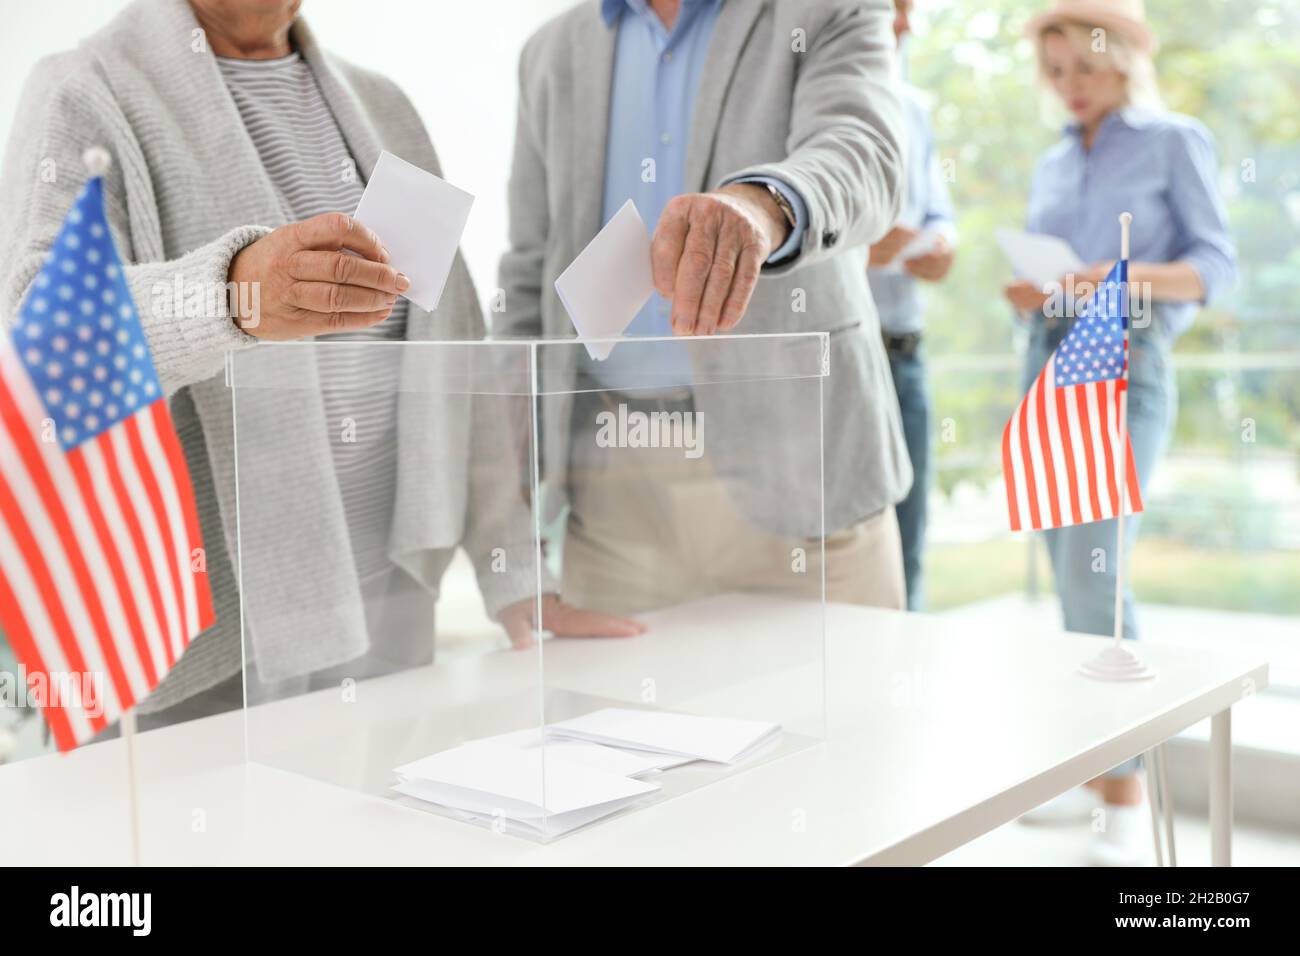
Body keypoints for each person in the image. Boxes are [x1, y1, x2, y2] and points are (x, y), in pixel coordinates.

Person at [0, 0, 642, 735]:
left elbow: (450, 355)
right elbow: (41, 343)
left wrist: (516, 575)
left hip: (390, 609)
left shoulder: (381, 105)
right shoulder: (81, 91)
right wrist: (232, 296)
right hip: (203, 642)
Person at [497, 0, 912, 615]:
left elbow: (864, 153)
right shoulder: (551, 51)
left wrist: (767, 204)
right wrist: (510, 500)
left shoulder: (828, 9)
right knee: (611, 712)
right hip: (610, 494)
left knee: (842, 710)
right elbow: (530, 268)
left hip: (802, 483)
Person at [1008, 0, 1236, 865]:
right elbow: (1057, 274)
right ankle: (1101, 768)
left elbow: (1215, 263)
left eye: (1087, 70)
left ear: (1126, 62)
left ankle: (1127, 791)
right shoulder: (1055, 159)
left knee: (1098, 572)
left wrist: (1117, 274)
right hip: (1052, 358)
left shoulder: (1173, 139)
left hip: (1127, 363)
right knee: (1070, 572)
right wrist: (1041, 292)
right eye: (1057, 71)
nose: (1071, 87)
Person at [867, 0, 957, 611]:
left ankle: (903, 693)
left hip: (903, 353)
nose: (906, 25)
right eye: (891, 8)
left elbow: (939, 210)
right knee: (843, 549)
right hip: (838, 357)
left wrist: (944, 245)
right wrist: (850, 247)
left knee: (908, 542)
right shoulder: (798, 99)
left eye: (909, 9)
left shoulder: (914, 109)